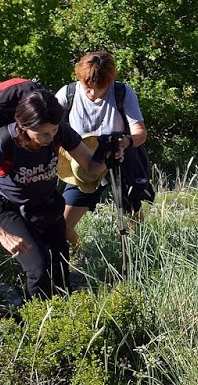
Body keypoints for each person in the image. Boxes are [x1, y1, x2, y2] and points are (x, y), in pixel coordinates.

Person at [0, 88, 103, 300]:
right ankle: (40, 323)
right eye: (41, 133)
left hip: (46, 203)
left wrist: (109, 153)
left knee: (60, 268)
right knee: (39, 268)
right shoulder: (4, 140)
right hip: (8, 206)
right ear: (23, 127)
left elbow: (91, 166)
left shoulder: (60, 131)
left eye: (53, 130)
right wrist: (2, 235)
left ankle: (67, 319)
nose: (49, 137)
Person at [55, 51, 149, 245]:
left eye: (99, 88)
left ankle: (137, 255)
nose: (92, 93)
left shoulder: (122, 93)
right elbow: (47, 123)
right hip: (83, 164)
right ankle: (79, 253)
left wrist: (126, 142)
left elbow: (140, 132)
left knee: (133, 218)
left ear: (109, 81)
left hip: (120, 161)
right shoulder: (68, 93)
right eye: (87, 87)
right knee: (62, 226)